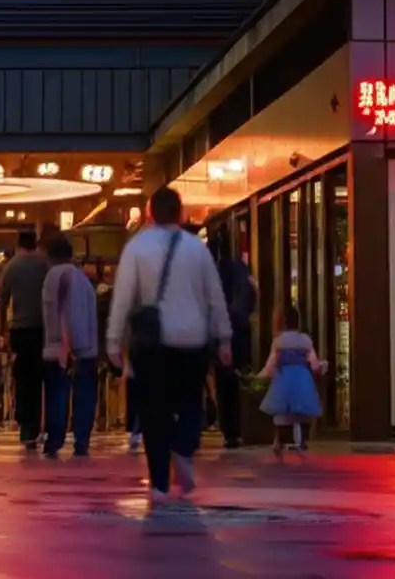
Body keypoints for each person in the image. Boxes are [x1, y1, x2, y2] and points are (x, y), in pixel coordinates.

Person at [107, 186, 232, 504]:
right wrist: (224, 337)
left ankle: (160, 482)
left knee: (153, 410)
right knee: (191, 401)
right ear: (179, 212)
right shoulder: (196, 248)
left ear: (149, 213)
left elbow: (123, 296)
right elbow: (214, 295)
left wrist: (113, 340)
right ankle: (184, 447)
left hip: (151, 342)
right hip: (192, 338)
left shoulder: (137, 248)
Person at [41, 235, 99, 458]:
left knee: (57, 395)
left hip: (60, 348)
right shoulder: (80, 278)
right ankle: (81, 440)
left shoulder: (53, 277)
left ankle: (55, 440)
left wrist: (67, 344)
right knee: (84, 396)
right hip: (85, 347)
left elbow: (62, 313)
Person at [207, 225, 257, 449]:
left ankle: (229, 429)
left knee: (224, 380)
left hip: (219, 332)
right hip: (239, 331)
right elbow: (251, 296)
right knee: (238, 379)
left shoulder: (214, 271)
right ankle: (239, 427)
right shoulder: (242, 269)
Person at [0, 230, 49, 450]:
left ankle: (25, 425)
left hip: (20, 328)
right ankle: (38, 425)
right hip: (43, 328)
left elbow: (2, 301)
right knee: (39, 377)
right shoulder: (45, 264)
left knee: (22, 376)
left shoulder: (11, 266)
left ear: (18, 244)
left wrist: (4, 332)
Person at [260, 304, 327, 458]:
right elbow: (314, 362)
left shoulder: (279, 341)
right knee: (302, 410)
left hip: (283, 378)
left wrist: (262, 375)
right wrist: (321, 367)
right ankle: (301, 440)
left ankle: (279, 441)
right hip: (302, 377)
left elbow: (272, 363)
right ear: (298, 322)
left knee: (280, 411)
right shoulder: (305, 340)